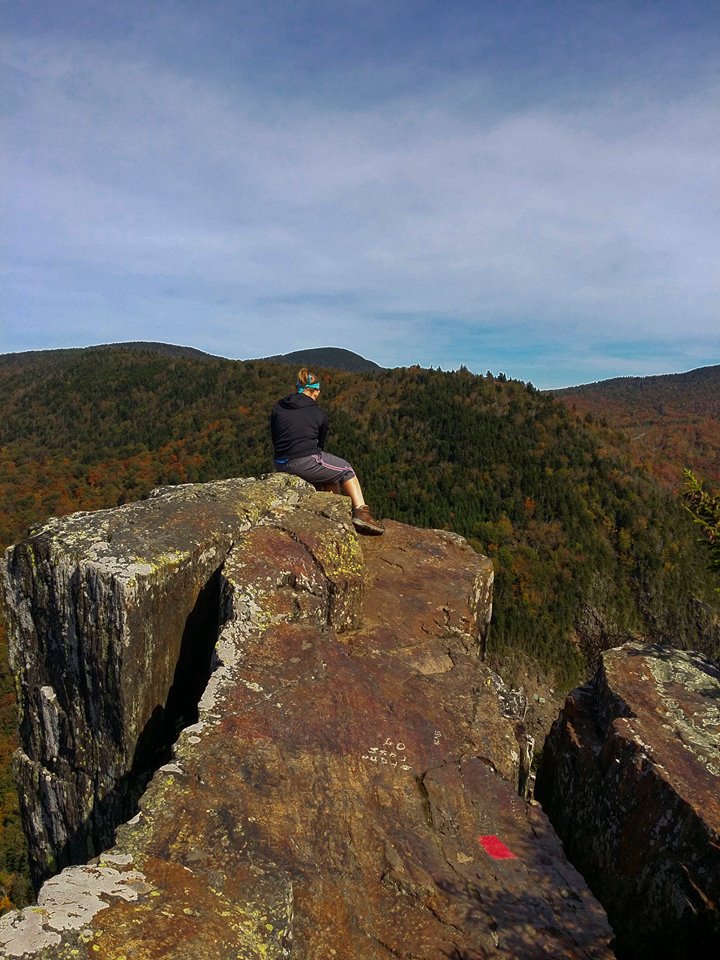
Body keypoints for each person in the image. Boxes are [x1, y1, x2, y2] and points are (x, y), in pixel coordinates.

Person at [270, 368, 385, 535]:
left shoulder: (279, 406)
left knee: (330, 476)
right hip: (304, 461)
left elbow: (275, 436)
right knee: (346, 470)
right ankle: (362, 512)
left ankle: (336, 516)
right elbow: (319, 445)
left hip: (280, 463)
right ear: (315, 391)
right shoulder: (318, 412)